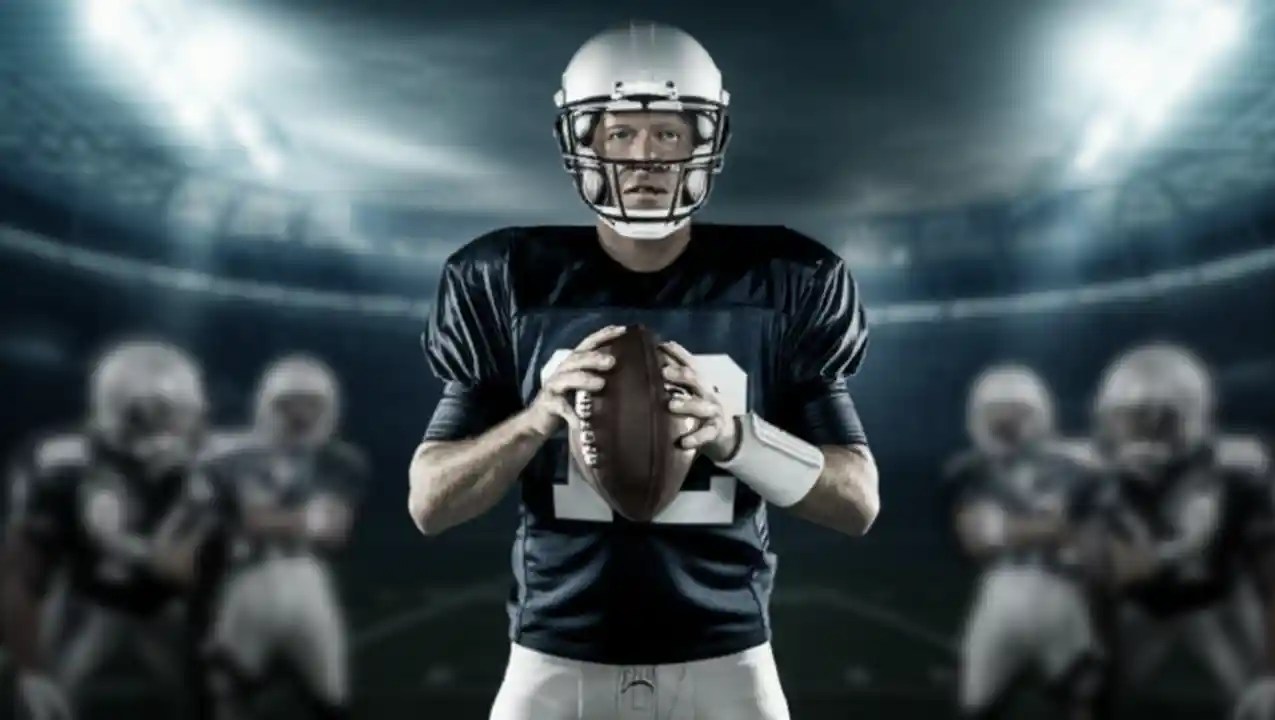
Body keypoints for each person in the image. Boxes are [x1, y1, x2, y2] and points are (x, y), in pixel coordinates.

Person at [407, 21, 880, 720]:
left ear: (704, 143)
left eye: (668, 134)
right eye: (621, 133)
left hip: (730, 659)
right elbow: (429, 502)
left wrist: (734, 437)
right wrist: (536, 421)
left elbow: (857, 501)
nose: (645, 158)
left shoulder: (787, 281)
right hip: (553, 657)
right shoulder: (505, 280)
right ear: (584, 144)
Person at [1, 339, 214, 720]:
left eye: (183, 412)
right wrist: (29, 666)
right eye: (168, 413)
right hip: (82, 601)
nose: (189, 427)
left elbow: (193, 571)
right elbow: (20, 573)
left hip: (167, 608)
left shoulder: (210, 470)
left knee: (195, 702)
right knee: (46, 705)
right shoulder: (61, 464)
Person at [1089, 343, 1275, 716]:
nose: (1139, 434)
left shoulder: (1240, 470)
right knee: (1096, 693)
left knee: (1263, 700)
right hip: (1143, 603)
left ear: (1195, 415)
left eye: (1158, 419)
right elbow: (1098, 575)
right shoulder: (1098, 478)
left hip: (1218, 600)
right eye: (1128, 418)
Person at [192, 355, 366, 720]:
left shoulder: (339, 460)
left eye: (312, 405)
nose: (301, 416)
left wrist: (268, 519)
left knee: (329, 696)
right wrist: (300, 520)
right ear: (267, 406)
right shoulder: (228, 454)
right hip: (243, 578)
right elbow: (242, 522)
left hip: (306, 578)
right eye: (290, 404)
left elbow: (332, 532)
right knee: (226, 688)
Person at [944, 364, 1111, 720]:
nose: (1005, 425)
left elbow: (1093, 539)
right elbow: (976, 540)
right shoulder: (970, 471)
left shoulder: (1079, 465)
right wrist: (1050, 529)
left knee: (1081, 696)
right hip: (1003, 590)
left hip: (1063, 592)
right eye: (996, 416)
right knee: (978, 703)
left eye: (1016, 414)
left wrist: (1008, 530)